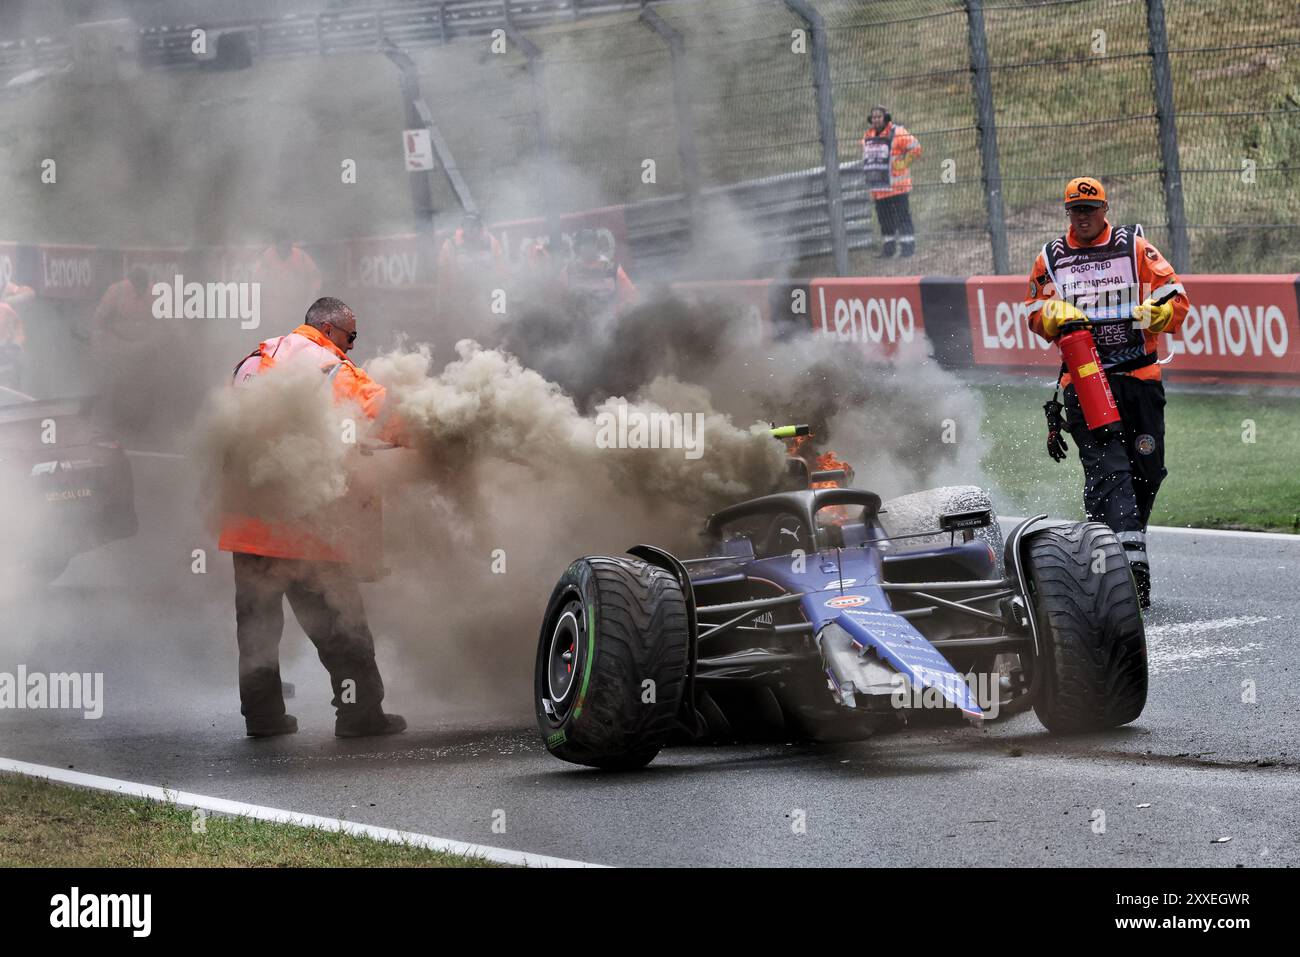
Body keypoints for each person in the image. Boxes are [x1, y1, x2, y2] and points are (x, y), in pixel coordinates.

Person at [218, 296, 407, 738]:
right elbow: (386, 416)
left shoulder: (253, 360)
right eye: (351, 337)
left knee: (257, 627)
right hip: (303, 527)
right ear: (329, 328)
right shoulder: (327, 364)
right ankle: (360, 714)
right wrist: (446, 435)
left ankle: (263, 719)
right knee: (340, 625)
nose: (352, 347)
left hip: (247, 523)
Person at [1023, 177, 1190, 608]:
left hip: (1140, 379)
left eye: (1090, 208)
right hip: (1084, 382)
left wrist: (1161, 313)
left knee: (1147, 472)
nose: (1083, 216)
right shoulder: (1050, 258)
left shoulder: (1135, 246)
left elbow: (1179, 300)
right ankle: (1125, 576)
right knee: (1108, 472)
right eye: (1076, 210)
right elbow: (1033, 313)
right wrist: (1050, 316)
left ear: (1104, 208)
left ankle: (1118, 548)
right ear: (1067, 213)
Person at [861, 105, 922, 258]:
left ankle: (907, 249)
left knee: (903, 217)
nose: (875, 120)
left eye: (878, 117)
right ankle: (889, 250)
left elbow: (916, 148)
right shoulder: (868, 136)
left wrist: (903, 163)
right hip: (880, 188)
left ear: (885, 117)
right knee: (884, 220)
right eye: (873, 117)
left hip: (898, 186)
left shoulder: (898, 133)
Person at [436, 211, 506, 319]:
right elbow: (443, 275)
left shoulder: (491, 242)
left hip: (487, 290)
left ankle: (500, 323)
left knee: (500, 293)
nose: (470, 230)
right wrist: (443, 302)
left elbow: (501, 271)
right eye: (467, 226)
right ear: (462, 227)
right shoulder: (450, 245)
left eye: (474, 226)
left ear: (480, 227)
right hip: (460, 293)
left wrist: (499, 299)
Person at [252, 232, 322, 331]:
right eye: (282, 245)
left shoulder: (301, 257)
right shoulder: (267, 257)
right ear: (276, 245)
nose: (285, 248)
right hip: (273, 312)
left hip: (297, 309)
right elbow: (257, 281)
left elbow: (315, 277)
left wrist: (312, 297)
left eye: (288, 245)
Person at [559, 228, 637, 313]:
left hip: (611, 322)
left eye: (592, 243)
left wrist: (618, 312)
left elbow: (630, 296)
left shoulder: (613, 269)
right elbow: (558, 302)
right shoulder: (568, 272)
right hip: (580, 323)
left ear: (597, 245)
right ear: (577, 248)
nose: (589, 247)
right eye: (585, 244)